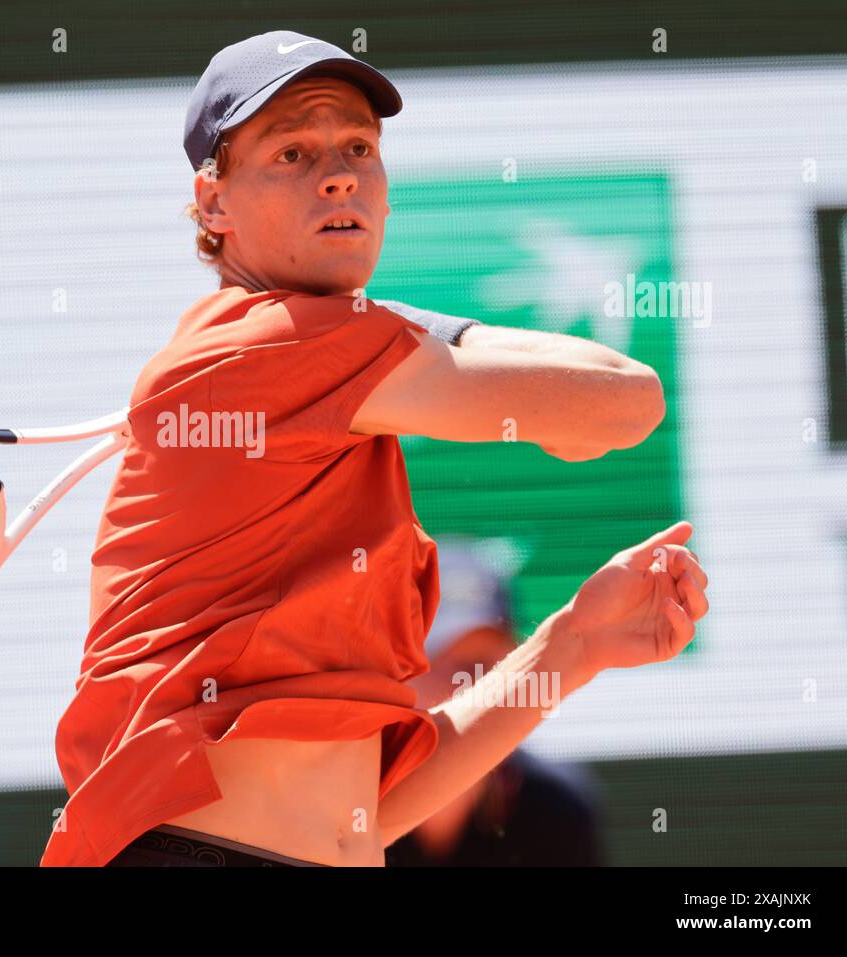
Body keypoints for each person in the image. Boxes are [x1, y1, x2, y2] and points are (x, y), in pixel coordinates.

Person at [40, 30, 708, 867]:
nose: (339, 173)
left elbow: (371, 810)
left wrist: (572, 644)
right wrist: (386, 317)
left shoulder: (318, 379)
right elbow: (623, 401)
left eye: (359, 146)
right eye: (291, 151)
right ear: (213, 205)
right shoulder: (261, 348)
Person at [384, 541, 605, 867]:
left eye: (493, 668)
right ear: (397, 672)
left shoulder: (556, 809)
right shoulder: (338, 810)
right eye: (450, 665)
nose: (475, 687)